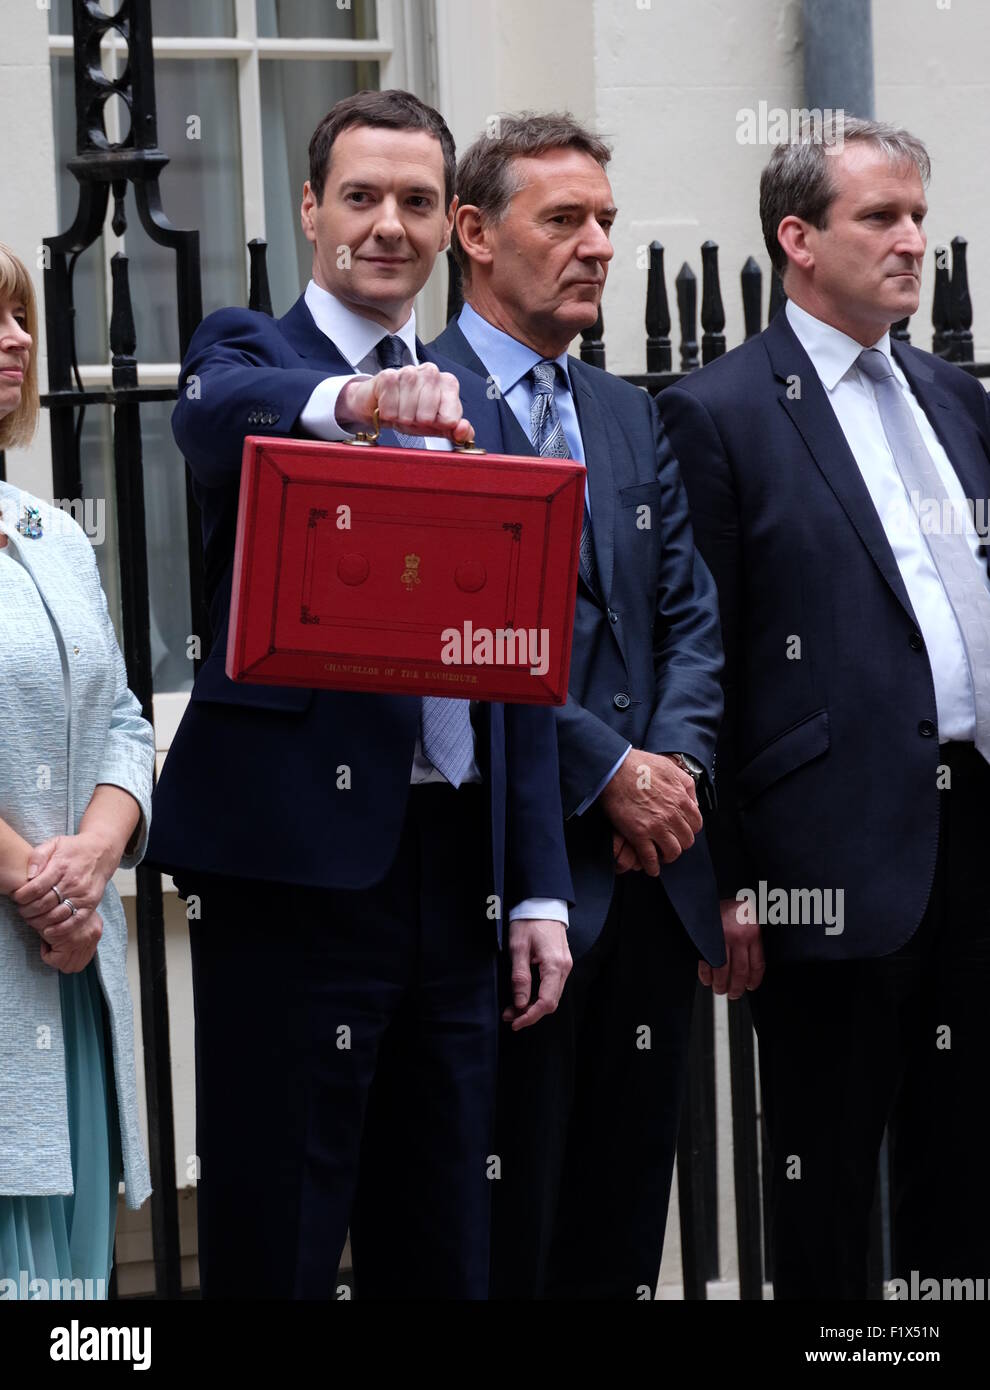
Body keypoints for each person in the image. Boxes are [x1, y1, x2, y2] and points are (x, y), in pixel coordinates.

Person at [145, 90, 574, 1300]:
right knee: (277, 1226)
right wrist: (363, 403)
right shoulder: (251, 351)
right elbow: (213, 419)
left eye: (418, 202)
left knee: (442, 1235)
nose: (389, 225)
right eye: (362, 197)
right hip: (294, 873)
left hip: (457, 875)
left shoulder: (482, 400)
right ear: (310, 209)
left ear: (454, 224)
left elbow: (519, 666)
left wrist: (536, 884)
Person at [657, 117, 990, 1297]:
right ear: (797, 239)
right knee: (826, 1196)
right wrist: (728, 878)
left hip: (973, 837)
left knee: (967, 1187)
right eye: (880, 219)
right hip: (827, 863)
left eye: (918, 214)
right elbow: (704, 660)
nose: (913, 241)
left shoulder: (956, 397)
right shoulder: (721, 411)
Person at [433, 113, 725, 1299]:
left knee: (620, 1233)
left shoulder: (624, 409)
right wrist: (608, 769)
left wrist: (672, 772)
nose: (598, 244)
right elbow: (454, 644)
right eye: (564, 220)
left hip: (653, 881)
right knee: (511, 1234)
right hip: (510, 891)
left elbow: (688, 615)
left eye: (605, 219)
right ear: (474, 234)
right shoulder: (417, 403)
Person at [0, 241, 153, 1299]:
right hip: (30, 946)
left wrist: (95, 854)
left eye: (18, 317)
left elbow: (127, 719)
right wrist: (35, 882)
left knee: (75, 1299)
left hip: (73, 964)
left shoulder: (50, 531)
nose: (17, 340)